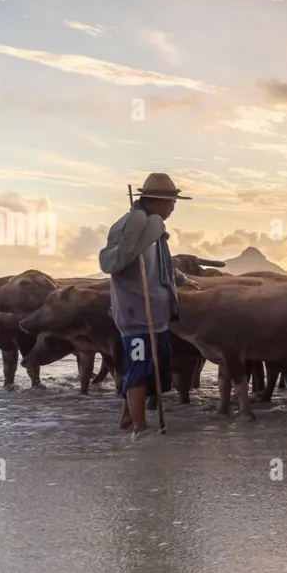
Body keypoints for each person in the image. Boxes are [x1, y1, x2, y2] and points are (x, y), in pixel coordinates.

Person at [98, 172, 191, 439]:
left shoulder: (156, 228)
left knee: (155, 369)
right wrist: (131, 246)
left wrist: (182, 279)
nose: (174, 207)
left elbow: (163, 264)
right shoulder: (127, 226)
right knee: (138, 368)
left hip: (158, 314)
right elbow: (111, 263)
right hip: (137, 313)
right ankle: (140, 428)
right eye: (172, 201)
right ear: (158, 201)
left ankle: (128, 416)